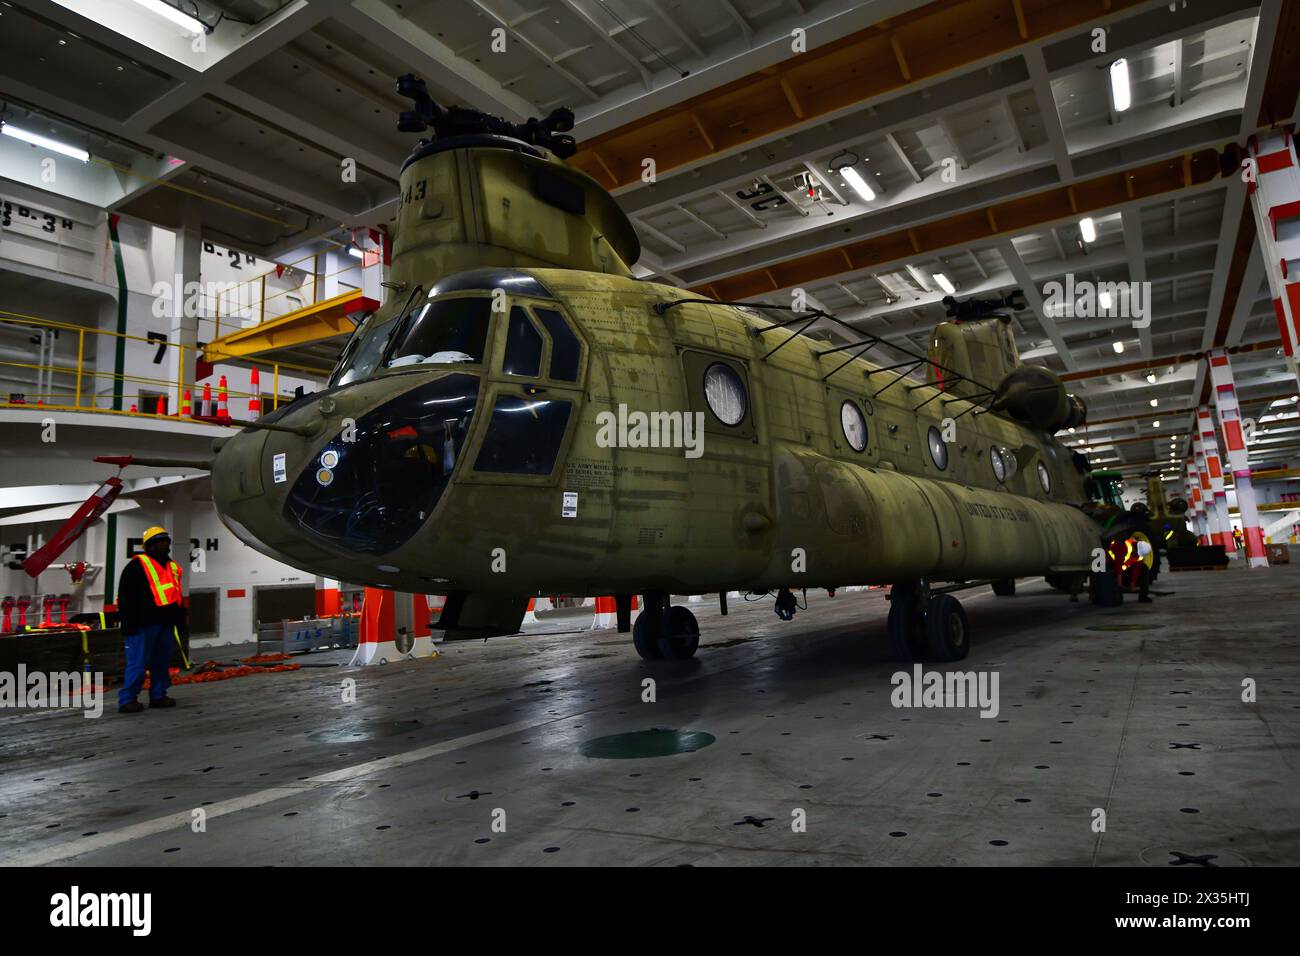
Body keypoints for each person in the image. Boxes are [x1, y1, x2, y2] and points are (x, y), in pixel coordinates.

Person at [116, 526, 188, 714]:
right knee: (137, 663)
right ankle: (127, 700)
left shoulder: (172, 566)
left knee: (161, 662)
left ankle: (158, 695)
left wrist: (180, 621)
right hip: (142, 625)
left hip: (165, 623)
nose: (165, 545)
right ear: (150, 546)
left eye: (166, 541)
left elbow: (176, 595)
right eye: (160, 542)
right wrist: (127, 623)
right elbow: (126, 598)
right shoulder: (136, 566)